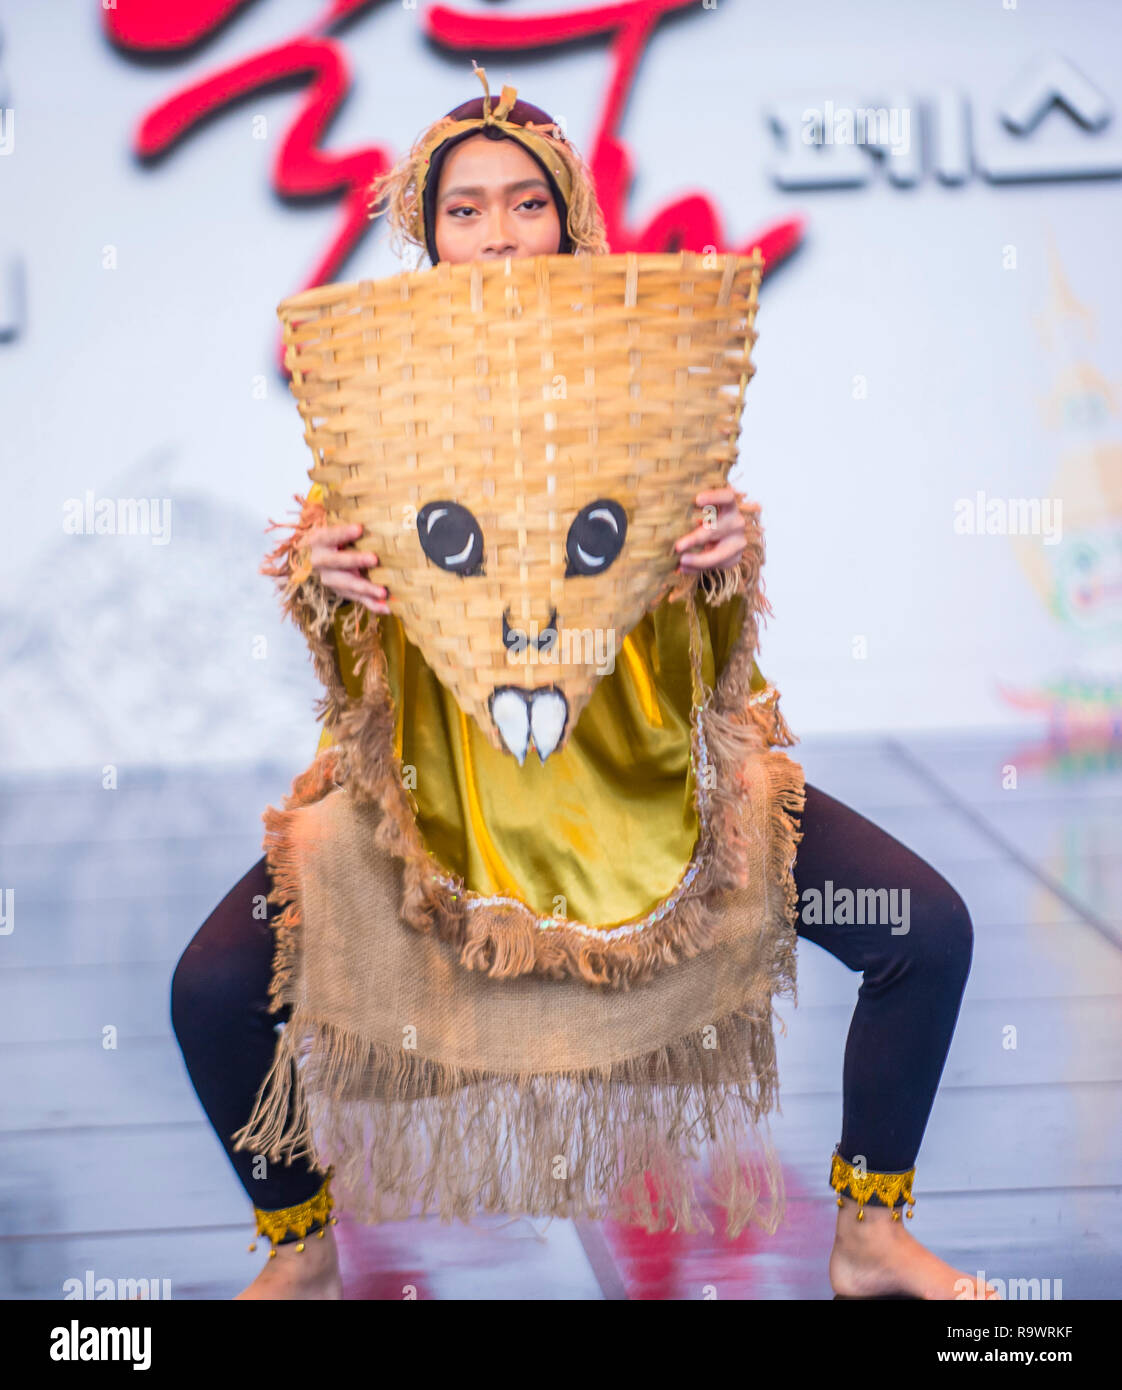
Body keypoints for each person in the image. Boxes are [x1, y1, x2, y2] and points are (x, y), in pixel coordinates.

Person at [171, 65, 997, 1301]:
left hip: (644, 780)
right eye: (465, 210)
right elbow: (361, 673)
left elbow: (708, 656)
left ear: (568, 220)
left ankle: (871, 1238)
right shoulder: (387, 407)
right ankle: (301, 1250)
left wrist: (724, 560)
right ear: (431, 234)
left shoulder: (645, 387)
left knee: (923, 931)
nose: (499, 233)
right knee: (211, 989)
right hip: (440, 800)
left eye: (526, 203)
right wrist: (322, 577)